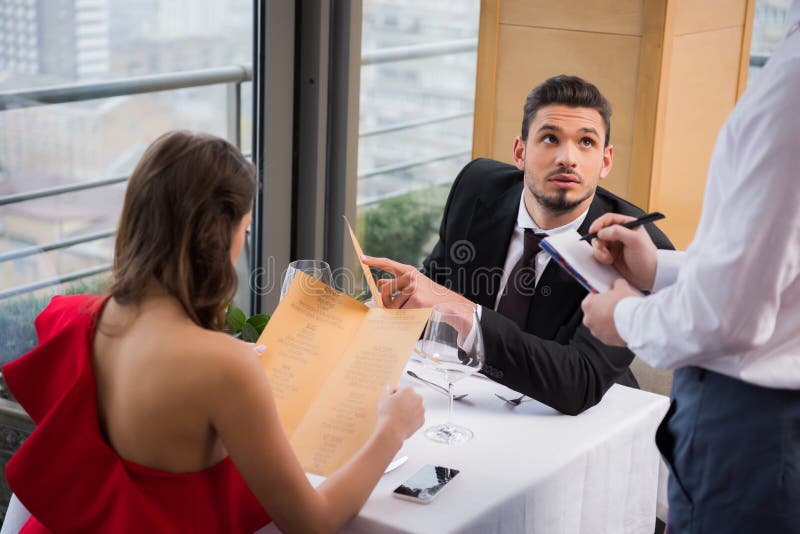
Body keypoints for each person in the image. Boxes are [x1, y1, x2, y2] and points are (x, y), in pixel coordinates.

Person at [2, 131, 424, 533]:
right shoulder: (224, 367)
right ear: (220, 237)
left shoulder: (82, 318)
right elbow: (312, 523)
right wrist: (392, 429)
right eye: (245, 229)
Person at [580, 4, 800, 531]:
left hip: (750, 431)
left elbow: (731, 315)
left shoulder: (790, 95)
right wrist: (659, 271)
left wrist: (627, 318)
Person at [364, 75, 673, 415]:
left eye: (586, 142)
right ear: (520, 152)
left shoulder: (635, 246)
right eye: (550, 138)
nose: (568, 158)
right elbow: (438, 284)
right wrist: (395, 306)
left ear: (606, 161)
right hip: (466, 399)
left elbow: (578, 382)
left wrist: (466, 313)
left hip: (579, 425)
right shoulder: (477, 187)